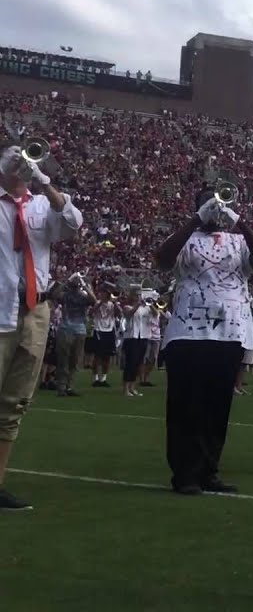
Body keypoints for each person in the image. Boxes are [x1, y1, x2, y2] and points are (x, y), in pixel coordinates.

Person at [154, 186, 253, 495]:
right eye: (209, 202)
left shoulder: (239, 239)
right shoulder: (186, 238)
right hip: (187, 332)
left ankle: (208, 470)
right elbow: (163, 260)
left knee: (217, 407)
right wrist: (195, 220)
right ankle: (185, 474)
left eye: (221, 201)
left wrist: (240, 222)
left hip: (230, 332)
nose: (216, 207)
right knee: (185, 405)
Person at [0, 145, 83, 511]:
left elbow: (72, 223)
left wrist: (44, 179)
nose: (21, 165)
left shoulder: (39, 204)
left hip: (34, 310)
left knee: (13, 403)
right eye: (13, 159)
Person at [53, 273, 94, 397]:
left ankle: (69, 386)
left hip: (79, 330)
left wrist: (85, 285)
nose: (75, 286)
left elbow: (94, 300)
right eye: (74, 284)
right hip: (65, 329)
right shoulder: (65, 296)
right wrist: (66, 281)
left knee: (74, 360)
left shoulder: (83, 296)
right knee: (63, 360)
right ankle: (62, 387)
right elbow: (54, 295)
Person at [119, 290, 153, 398]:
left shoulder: (146, 308)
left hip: (143, 337)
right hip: (131, 337)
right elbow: (129, 314)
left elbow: (156, 314)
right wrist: (138, 304)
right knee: (130, 363)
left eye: (140, 295)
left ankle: (133, 387)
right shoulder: (127, 307)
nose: (139, 297)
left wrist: (151, 305)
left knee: (138, 363)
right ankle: (126, 388)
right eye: (137, 295)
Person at [89, 291, 119, 387]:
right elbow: (91, 313)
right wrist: (101, 302)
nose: (104, 296)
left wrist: (116, 304)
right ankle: (95, 378)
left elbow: (118, 314)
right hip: (99, 330)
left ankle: (104, 378)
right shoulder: (97, 302)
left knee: (107, 356)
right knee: (97, 356)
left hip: (109, 330)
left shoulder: (112, 304)